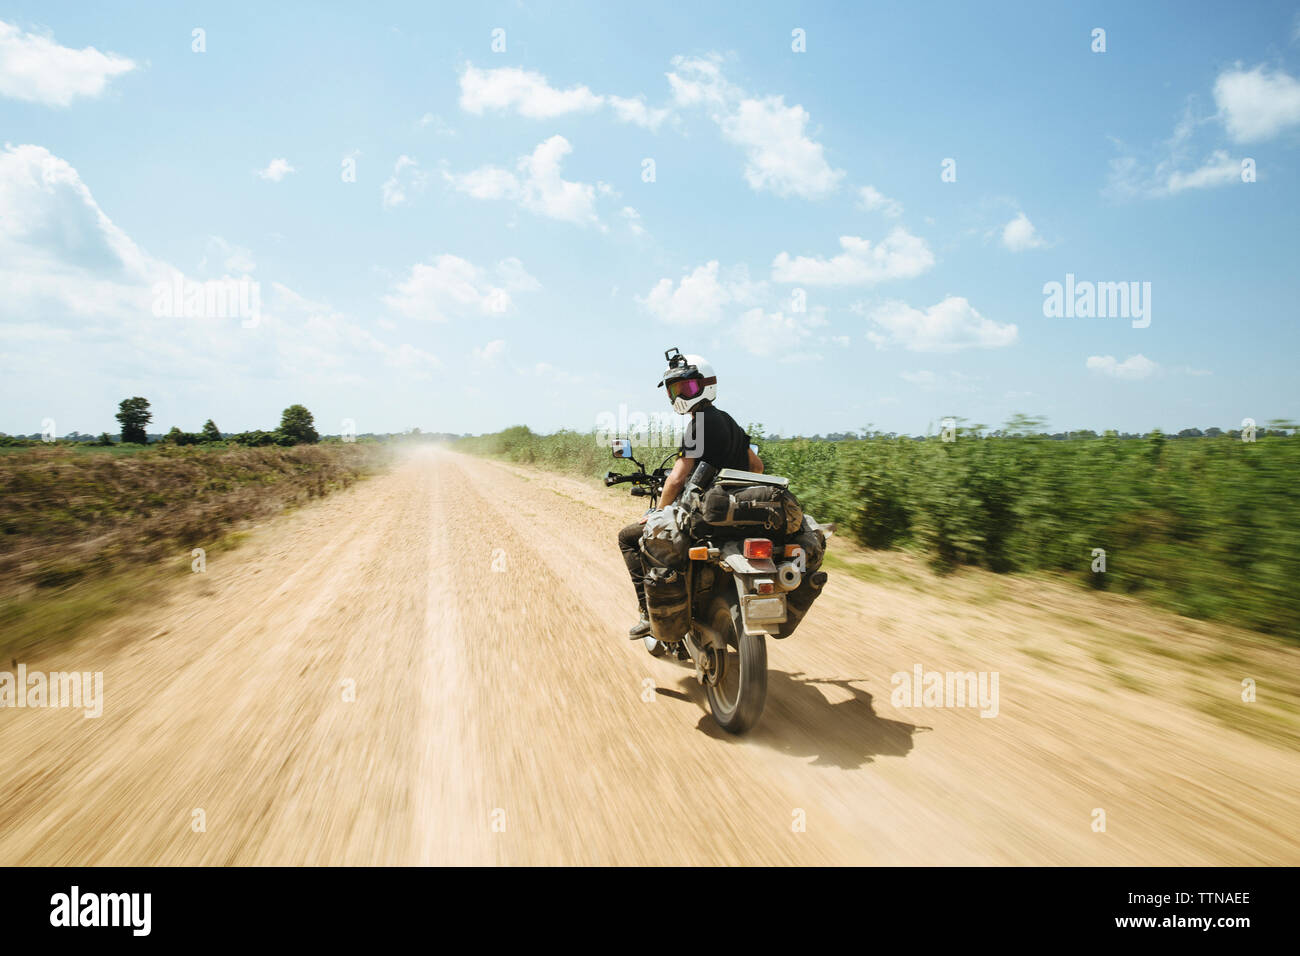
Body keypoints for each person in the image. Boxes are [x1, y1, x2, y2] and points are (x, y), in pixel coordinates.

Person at [620, 350, 763, 639]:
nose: (680, 395)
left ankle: (648, 613)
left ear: (706, 385)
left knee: (629, 537)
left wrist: (658, 513)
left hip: (705, 516)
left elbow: (676, 479)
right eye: (676, 389)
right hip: (735, 516)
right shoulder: (728, 420)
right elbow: (756, 466)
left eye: (688, 387)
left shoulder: (697, 424)